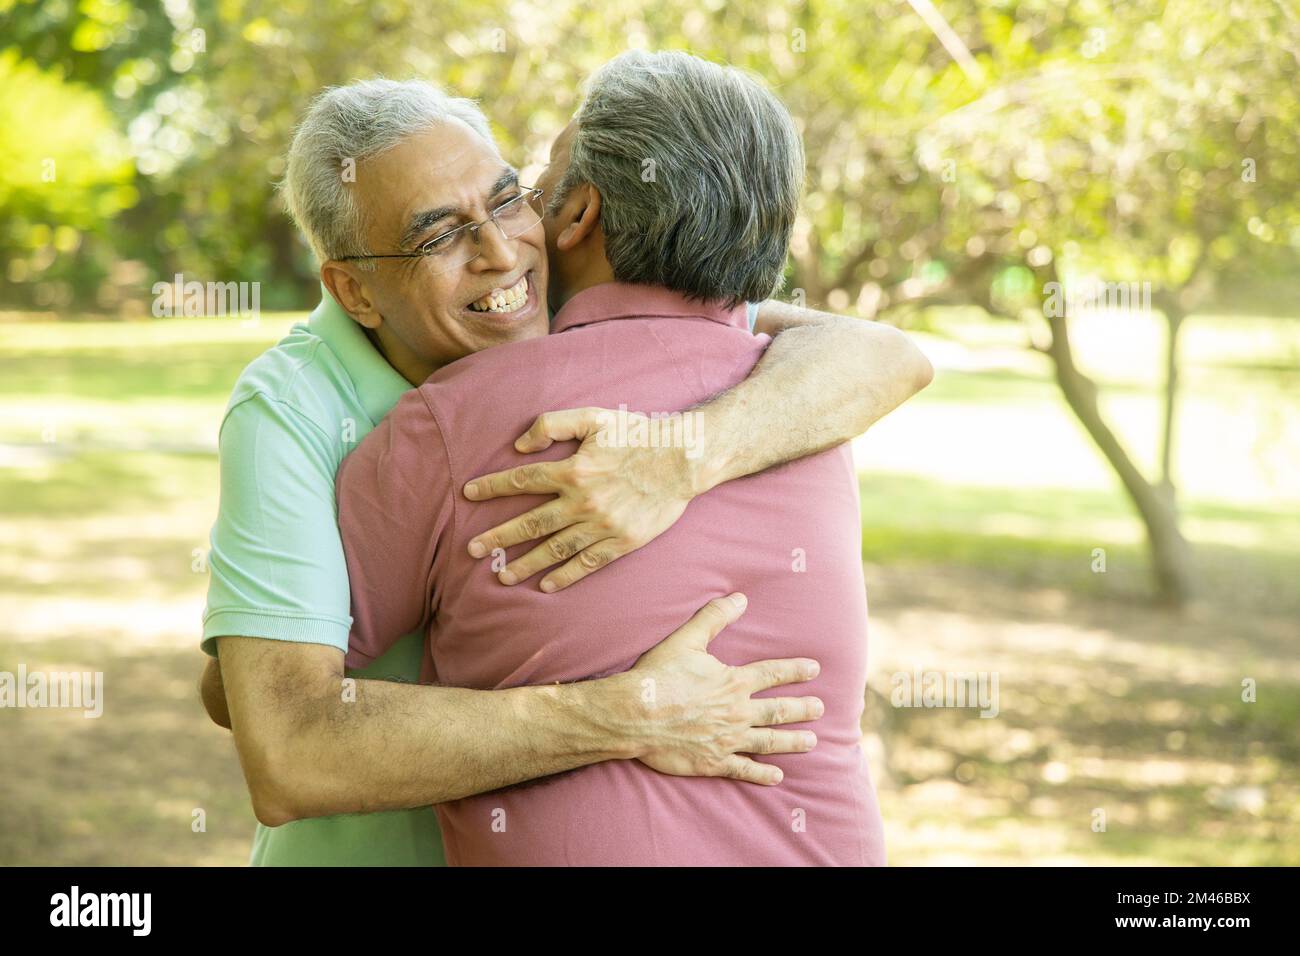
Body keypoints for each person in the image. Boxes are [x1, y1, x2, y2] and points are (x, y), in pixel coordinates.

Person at [201, 71, 930, 865]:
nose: (500, 250)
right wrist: (626, 712)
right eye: (437, 236)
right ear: (354, 291)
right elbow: (277, 728)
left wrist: (682, 457)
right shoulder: (292, 408)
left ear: (576, 216)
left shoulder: (781, 381)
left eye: (515, 197)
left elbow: (885, 353)